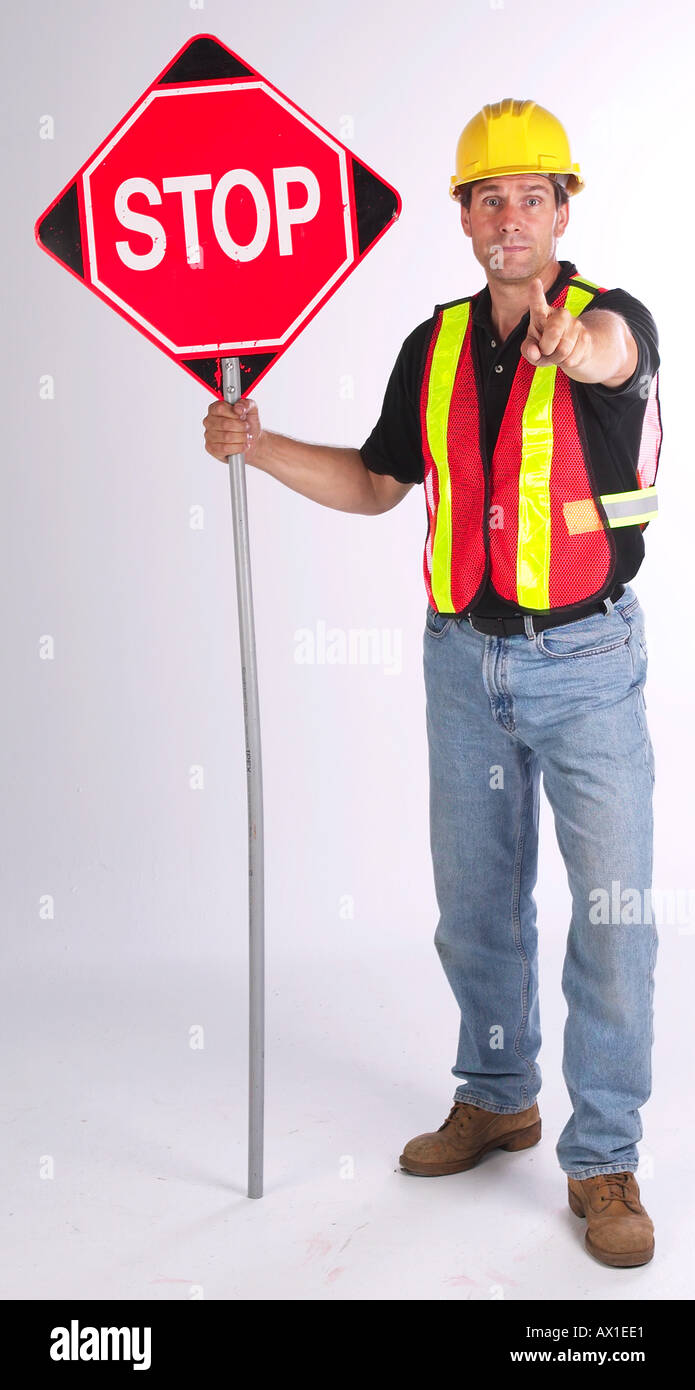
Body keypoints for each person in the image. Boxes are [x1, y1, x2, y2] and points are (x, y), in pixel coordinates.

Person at [202, 99, 663, 1269]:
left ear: (562, 210)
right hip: (460, 661)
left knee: (609, 922)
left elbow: (609, 353)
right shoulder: (437, 344)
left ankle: (600, 1153)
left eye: (529, 197)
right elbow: (372, 482)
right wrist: (255, 442)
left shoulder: (612, 324)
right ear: (462, 218)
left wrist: (574, 343)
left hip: (585, 662)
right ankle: (499, 1092)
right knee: (474, 909)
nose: (508, 217)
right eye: (486, 198)